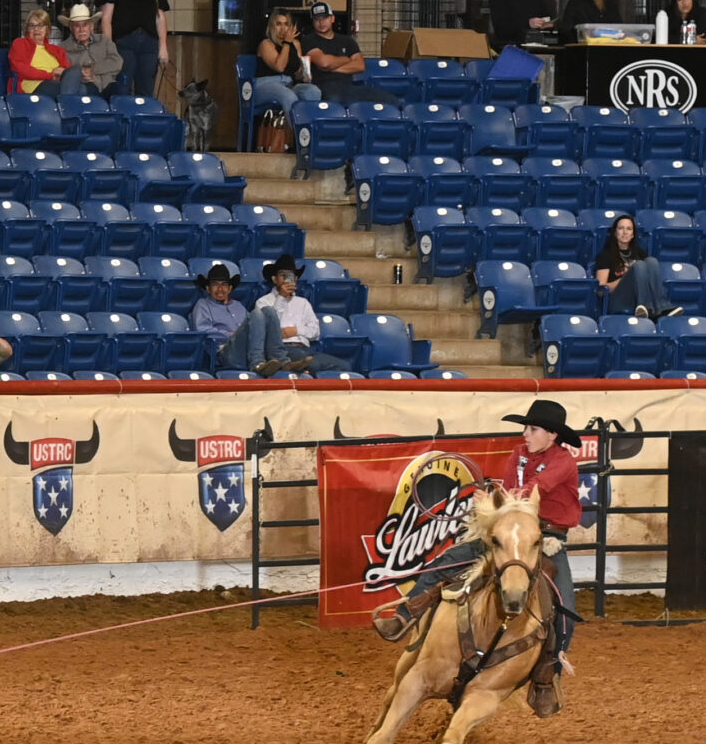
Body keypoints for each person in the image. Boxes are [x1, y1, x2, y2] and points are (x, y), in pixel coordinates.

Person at [369, 398, 584, 717]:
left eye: (533, 428)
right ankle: (406, 613)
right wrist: (495, 503)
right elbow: (512, 492)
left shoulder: (562, 462)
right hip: (510, 531)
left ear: (552, 435)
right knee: (447, 561)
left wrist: (495, 498)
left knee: (562, 606)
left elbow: (533, 491)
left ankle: (547, 673)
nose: (526, 433)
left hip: (545, 538)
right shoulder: (518, 455)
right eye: (526, 427)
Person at [241, 255, 348, 376]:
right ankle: (288, 367)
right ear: (275, 279)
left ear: (296, 279)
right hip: (281, 350)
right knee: (313, 365)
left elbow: (315, 332)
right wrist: (281, 297)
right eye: (283, 276)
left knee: (344, 367)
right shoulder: (263, 302)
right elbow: (267, 330)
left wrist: (296, 330)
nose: (287, 280)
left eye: (290, 276)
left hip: (306, 350)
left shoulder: (303, 303)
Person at [94, 0, 170, 98]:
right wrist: (109, 47)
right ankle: (123, 120)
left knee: (146, 89)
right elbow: (106, 20)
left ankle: (143, 120)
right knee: (122, 86)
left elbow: (160, 18)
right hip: (123, 42)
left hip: (149, 43)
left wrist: (163, 46)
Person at [296, 1, 396, 106]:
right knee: (335, 102)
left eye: (325, 18)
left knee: (391, 100)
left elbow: (360, 66)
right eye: (317, 19)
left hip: (349, 86)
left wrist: (331, 67)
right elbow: (324, 63)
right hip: (325, 86)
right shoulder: (309, 40)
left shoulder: (347, 40)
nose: (321, 22)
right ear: (313, 22)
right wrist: (347, 59)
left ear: (332, 19)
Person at [594, 213, 678, 318]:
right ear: (615, 232)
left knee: (652, 261)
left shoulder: (640, 253)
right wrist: (627, 276)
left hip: (639, 297)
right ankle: (643, 307)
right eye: (621, 228)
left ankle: (663, 307)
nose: (625, 232)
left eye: (629, 229)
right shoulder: (605, 255)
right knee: (639, 266)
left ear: (633, 234)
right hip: (618, 300)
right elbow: (601, 290)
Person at [251, 10, 321, 112]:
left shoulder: (296, 44)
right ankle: (297, 128)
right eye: (278, 24)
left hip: (288, 83)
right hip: (266, 84)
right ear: (272, 26)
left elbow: (299, 72)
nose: (283, 28)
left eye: (286, 24)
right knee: (289, 96)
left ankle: (309, 126)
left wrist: (303, 74)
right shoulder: (266, 44)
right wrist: (287, 43)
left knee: (313, 91)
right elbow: (280, 67)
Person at [56, 4, 121, 96]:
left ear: (91, 26)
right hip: (84, 87)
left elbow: (117, 62)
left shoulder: (104, 40)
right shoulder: (63, 47)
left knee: (121, 92)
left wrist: (92, 70)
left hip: (108, 84)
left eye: (85, 25)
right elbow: (67, 75)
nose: (81, 29)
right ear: (71, 28)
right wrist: (84, 75)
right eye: (77, 26)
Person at [6, 8, 71, 94]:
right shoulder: (20, 43)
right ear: (27, 29)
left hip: (57, 84)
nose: (36, 29)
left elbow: (67, 70)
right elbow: (20, 69)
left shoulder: (58, 50)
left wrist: (62, 71)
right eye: (32, 25)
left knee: (77, 77)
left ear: (47, 28)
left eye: (40, 25)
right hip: (33, 87)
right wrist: (50, 75)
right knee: (66, 89)